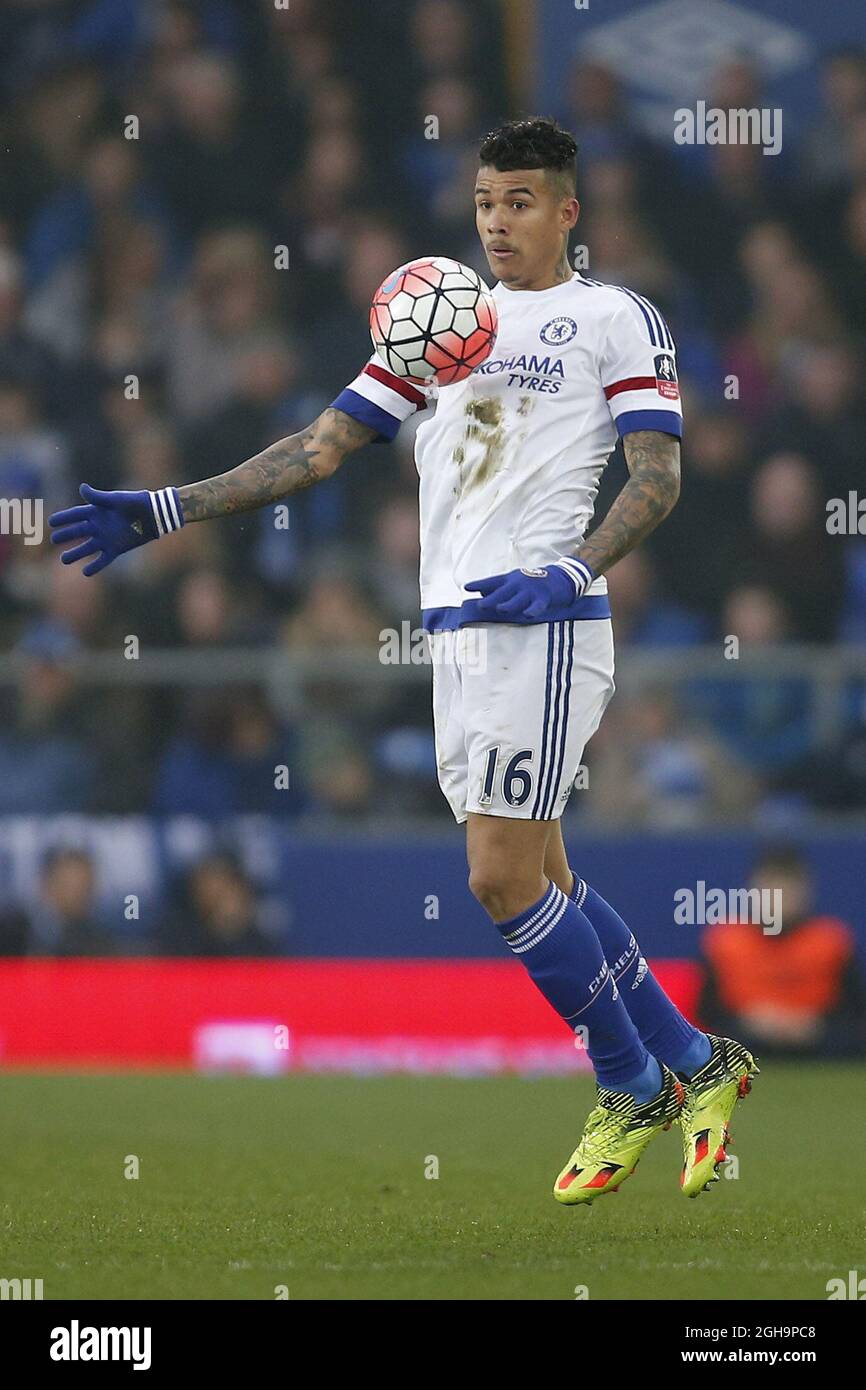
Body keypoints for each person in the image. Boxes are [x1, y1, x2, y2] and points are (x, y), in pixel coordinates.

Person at [49, 117, 758, 1205]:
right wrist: (167, 505)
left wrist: (570, 574)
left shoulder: (611, 317)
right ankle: (699, 1062)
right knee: (547, 877)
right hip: (456, 635)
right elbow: (321, 447)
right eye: (484, 202)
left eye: (519, 201)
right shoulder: (441, 318)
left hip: (545, 624)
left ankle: (627, 1081)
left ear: (567, 212)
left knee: (493, 876)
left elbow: (654, 477)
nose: (497, 221)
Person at [699, 845, 866, 1060]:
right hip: (743, 1043)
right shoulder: (725, 940)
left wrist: (812, 1025)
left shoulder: (832, 941)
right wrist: (751, 1021)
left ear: (805, 890)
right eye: (770, 888)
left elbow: (855, 1014)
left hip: (821, 1046)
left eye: (788, 888)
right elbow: (706, 1013)